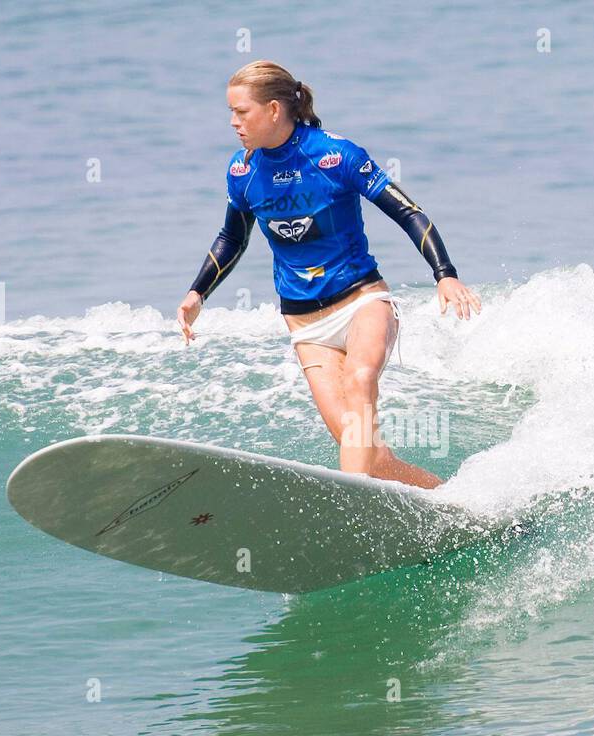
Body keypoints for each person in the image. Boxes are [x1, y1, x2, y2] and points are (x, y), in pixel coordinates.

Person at [178, 60, 481, 489]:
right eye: (231, 112)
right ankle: (452, 506)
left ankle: (350, 506)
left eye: (241, 112)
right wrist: (198, 293)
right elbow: (232, 238)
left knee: (360, 382)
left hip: (362, 302)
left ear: (273, 111)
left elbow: (407, 212)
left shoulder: (335, 155)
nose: (233, 123)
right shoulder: (242, 172)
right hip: (306, 326)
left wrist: (445, 274)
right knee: (370, 455)